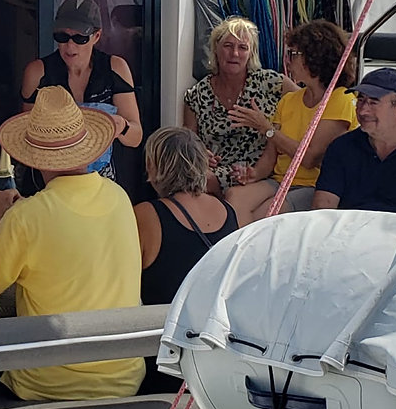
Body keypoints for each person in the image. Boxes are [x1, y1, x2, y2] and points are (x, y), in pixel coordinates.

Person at [0, 86, 145, 401]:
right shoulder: (120, 197)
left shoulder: (26, 217)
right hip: (124, 379)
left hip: (46, 385)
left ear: (34, 160)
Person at [225, 20, 358, 224]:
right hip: (279, 181)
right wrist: (253, 174)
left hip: (313, 186)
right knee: (234, 198)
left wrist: (266, 128)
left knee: (264, 215)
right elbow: (271, 156)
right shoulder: (289, 101)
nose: (287, 62)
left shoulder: (341, 100)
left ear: (314, 57)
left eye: (293, 54)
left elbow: (308, 159)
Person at [20, 0, 142, 181]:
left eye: (80, 38)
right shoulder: (37, 72)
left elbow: (136, 136)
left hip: (103, 183)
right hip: (52, 181)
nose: (70, 46)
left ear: (96, 36)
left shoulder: (115, 68)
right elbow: (25, 139)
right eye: (62, 37)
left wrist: (122, 126)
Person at [313, 68, 396, 222]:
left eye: (373, 102)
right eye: (361, 100)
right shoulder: (341, 147)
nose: (363, 110)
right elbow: (323, 206)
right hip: (347, 237)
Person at [184, 16, 299, 195]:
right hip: (213, 169)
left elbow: (310, 105)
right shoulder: (197, 95)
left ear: (251, 53)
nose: (234, 53)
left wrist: (267, 127)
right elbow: (188, 139)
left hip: (260, 171)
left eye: (242, 47)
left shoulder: (273, 83)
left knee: (200, 184)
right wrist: (201, 153)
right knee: (188, 178)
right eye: (228, 46)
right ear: (216, 49)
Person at [135, 127, 238, 306]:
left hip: (164, 326)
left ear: (154, 166)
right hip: (213, 325)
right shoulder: (226, 210)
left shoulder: (147, 214)